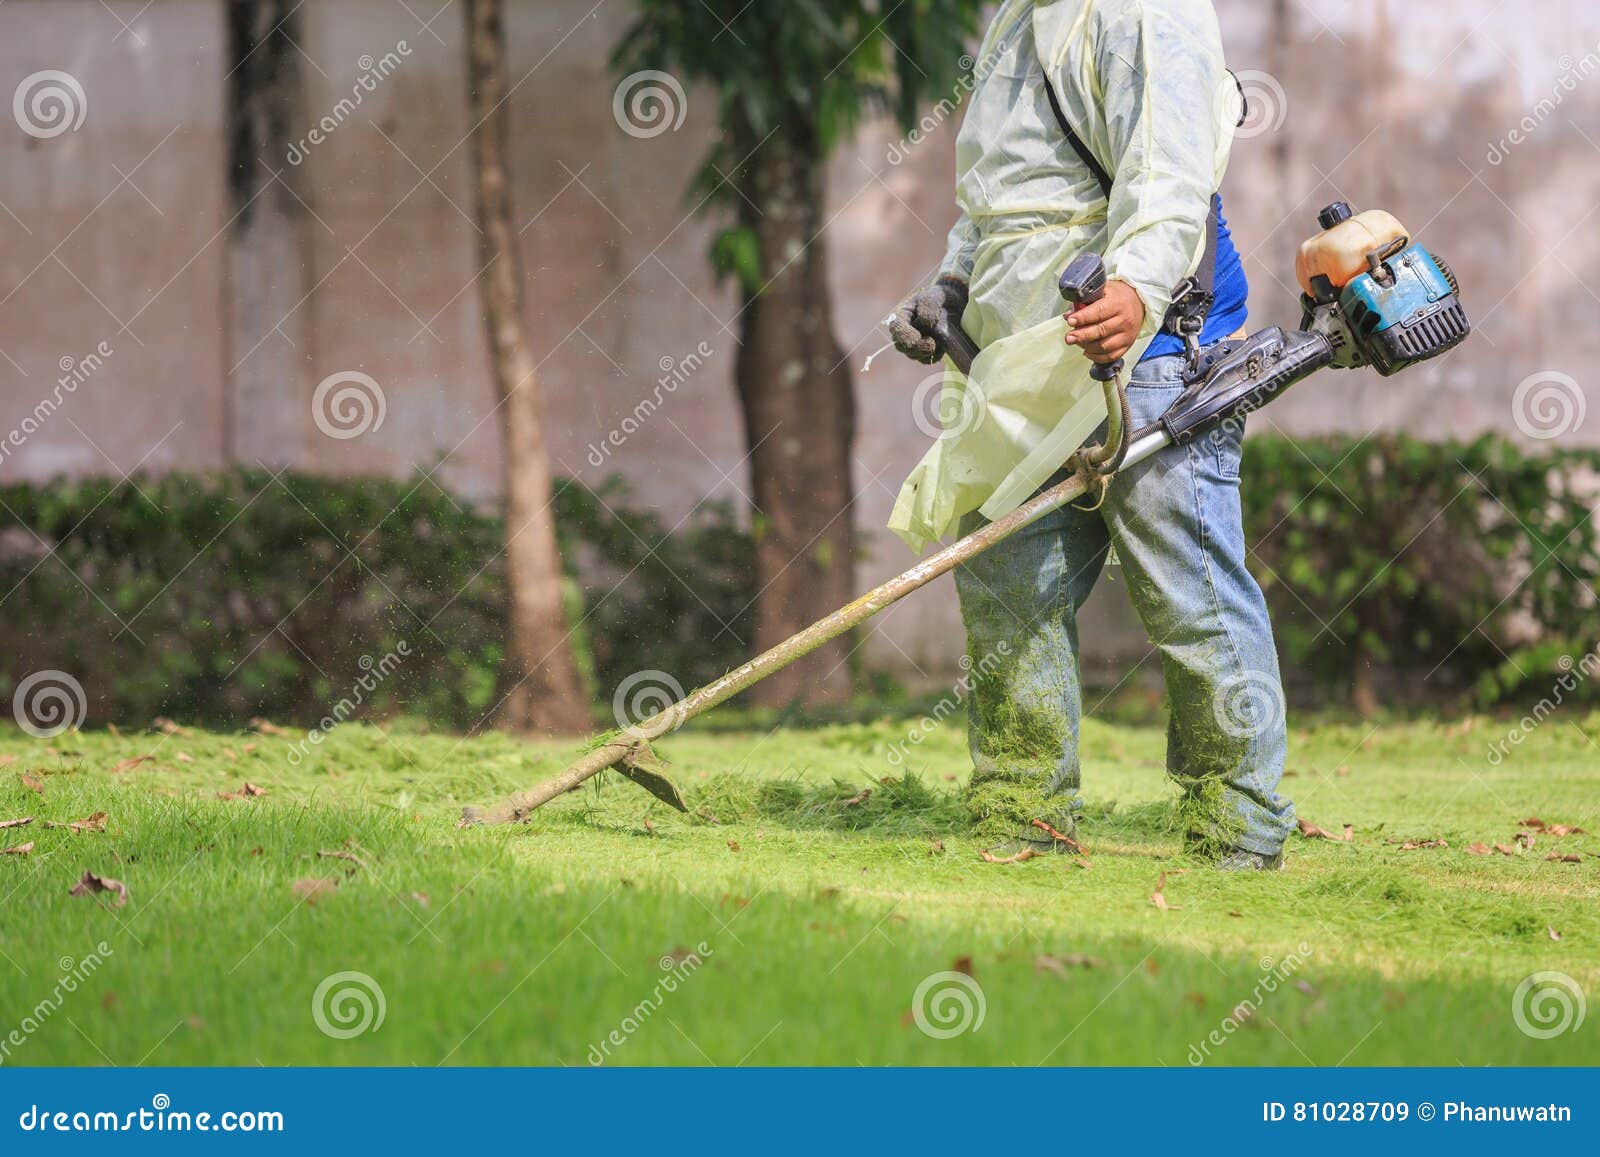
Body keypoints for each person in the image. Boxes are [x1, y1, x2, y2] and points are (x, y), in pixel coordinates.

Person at [888, 0, 1295, 870]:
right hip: (1021, 359)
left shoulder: (1147, 11)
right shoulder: (1018, 17)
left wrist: (1141, 289)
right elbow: (1002, 192)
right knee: (1009, 590)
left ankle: (1241, 823)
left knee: (1193, 599)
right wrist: (954, 282)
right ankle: (1022, 811)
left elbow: (1171, 164)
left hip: (1136, 350)